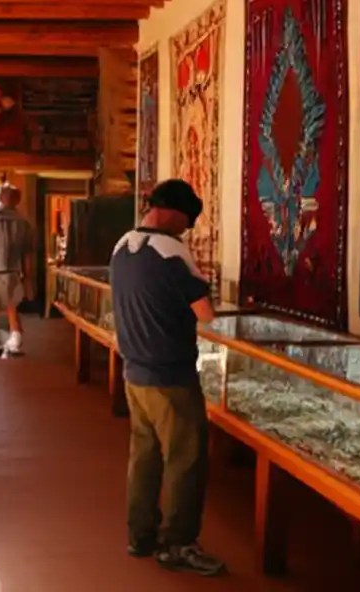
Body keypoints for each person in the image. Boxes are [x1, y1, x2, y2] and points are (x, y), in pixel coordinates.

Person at [110, 179, 224, 577]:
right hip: (170, 375)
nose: (188, 228)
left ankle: (140, 535)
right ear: (174, 211)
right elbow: (206, 313)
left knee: (144, 456)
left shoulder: (122, 247)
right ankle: (179, 543)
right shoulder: (171, 251)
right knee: (185, 459)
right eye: (188, 219)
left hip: (135, 372)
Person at [0, 183, 34, 355]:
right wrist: (28, 276)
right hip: (13, 270)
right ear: (18, 200)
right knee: (12, 305)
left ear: (0, 198)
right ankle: (16, 339)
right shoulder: (24, 222)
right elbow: (28, 251)